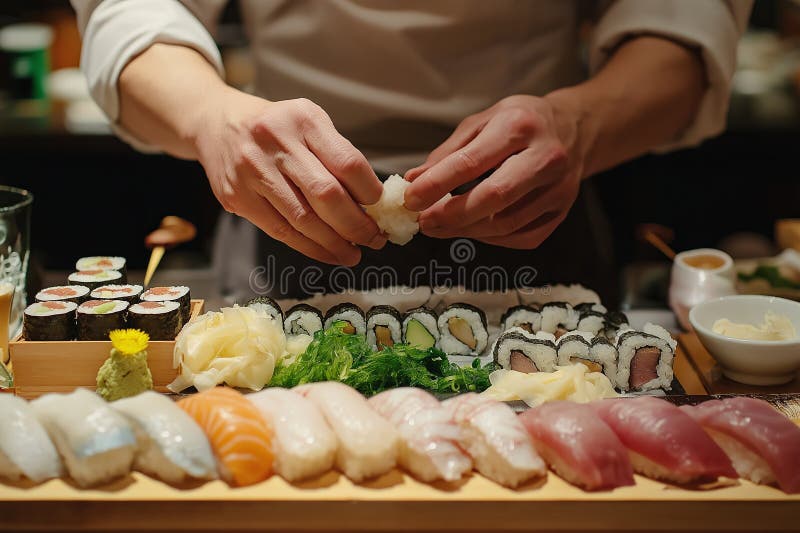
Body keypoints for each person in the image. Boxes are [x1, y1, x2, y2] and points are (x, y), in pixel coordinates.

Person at [71, 0, 752, 300]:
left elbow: (683, 19)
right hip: (288, 211)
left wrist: (580, 124)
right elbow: (129, 11)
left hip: (531, 210)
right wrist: (213, 116)